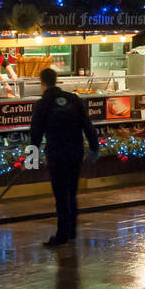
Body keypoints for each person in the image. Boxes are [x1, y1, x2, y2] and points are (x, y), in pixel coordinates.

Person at [28, 67, 99, 248]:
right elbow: (87, 124)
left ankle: (62, 235)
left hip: (57, 153)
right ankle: (71, 231)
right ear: (56, 80)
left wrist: (31, 158)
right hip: (75, 151)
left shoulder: (43, 104)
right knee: (71, 192)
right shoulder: (73, 99)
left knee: (61, 195)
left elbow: (35, 133)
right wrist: (93, 147)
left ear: (42, 83)